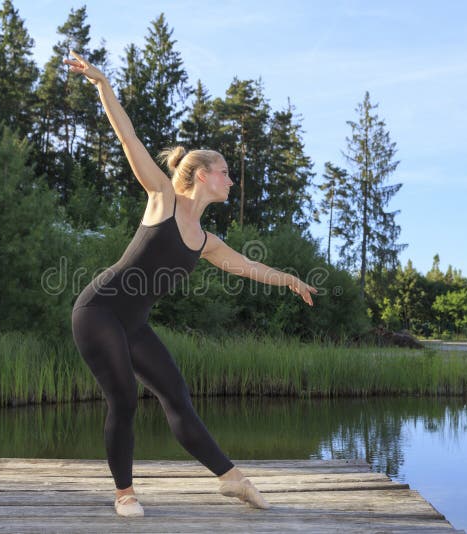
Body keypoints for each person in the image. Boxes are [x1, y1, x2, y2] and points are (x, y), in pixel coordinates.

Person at [63, 50, 318, 518]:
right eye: (225, 173)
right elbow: (128, 137)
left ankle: (231, 479)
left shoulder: (205, 240)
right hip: (97, 311)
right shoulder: (162, 198)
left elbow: (246, 266)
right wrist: (102, 85)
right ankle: (124, 494)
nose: (230, 181)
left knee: (177, 396)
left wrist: (289, 280)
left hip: (133, 324)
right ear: (202, 175)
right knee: (124, 398)